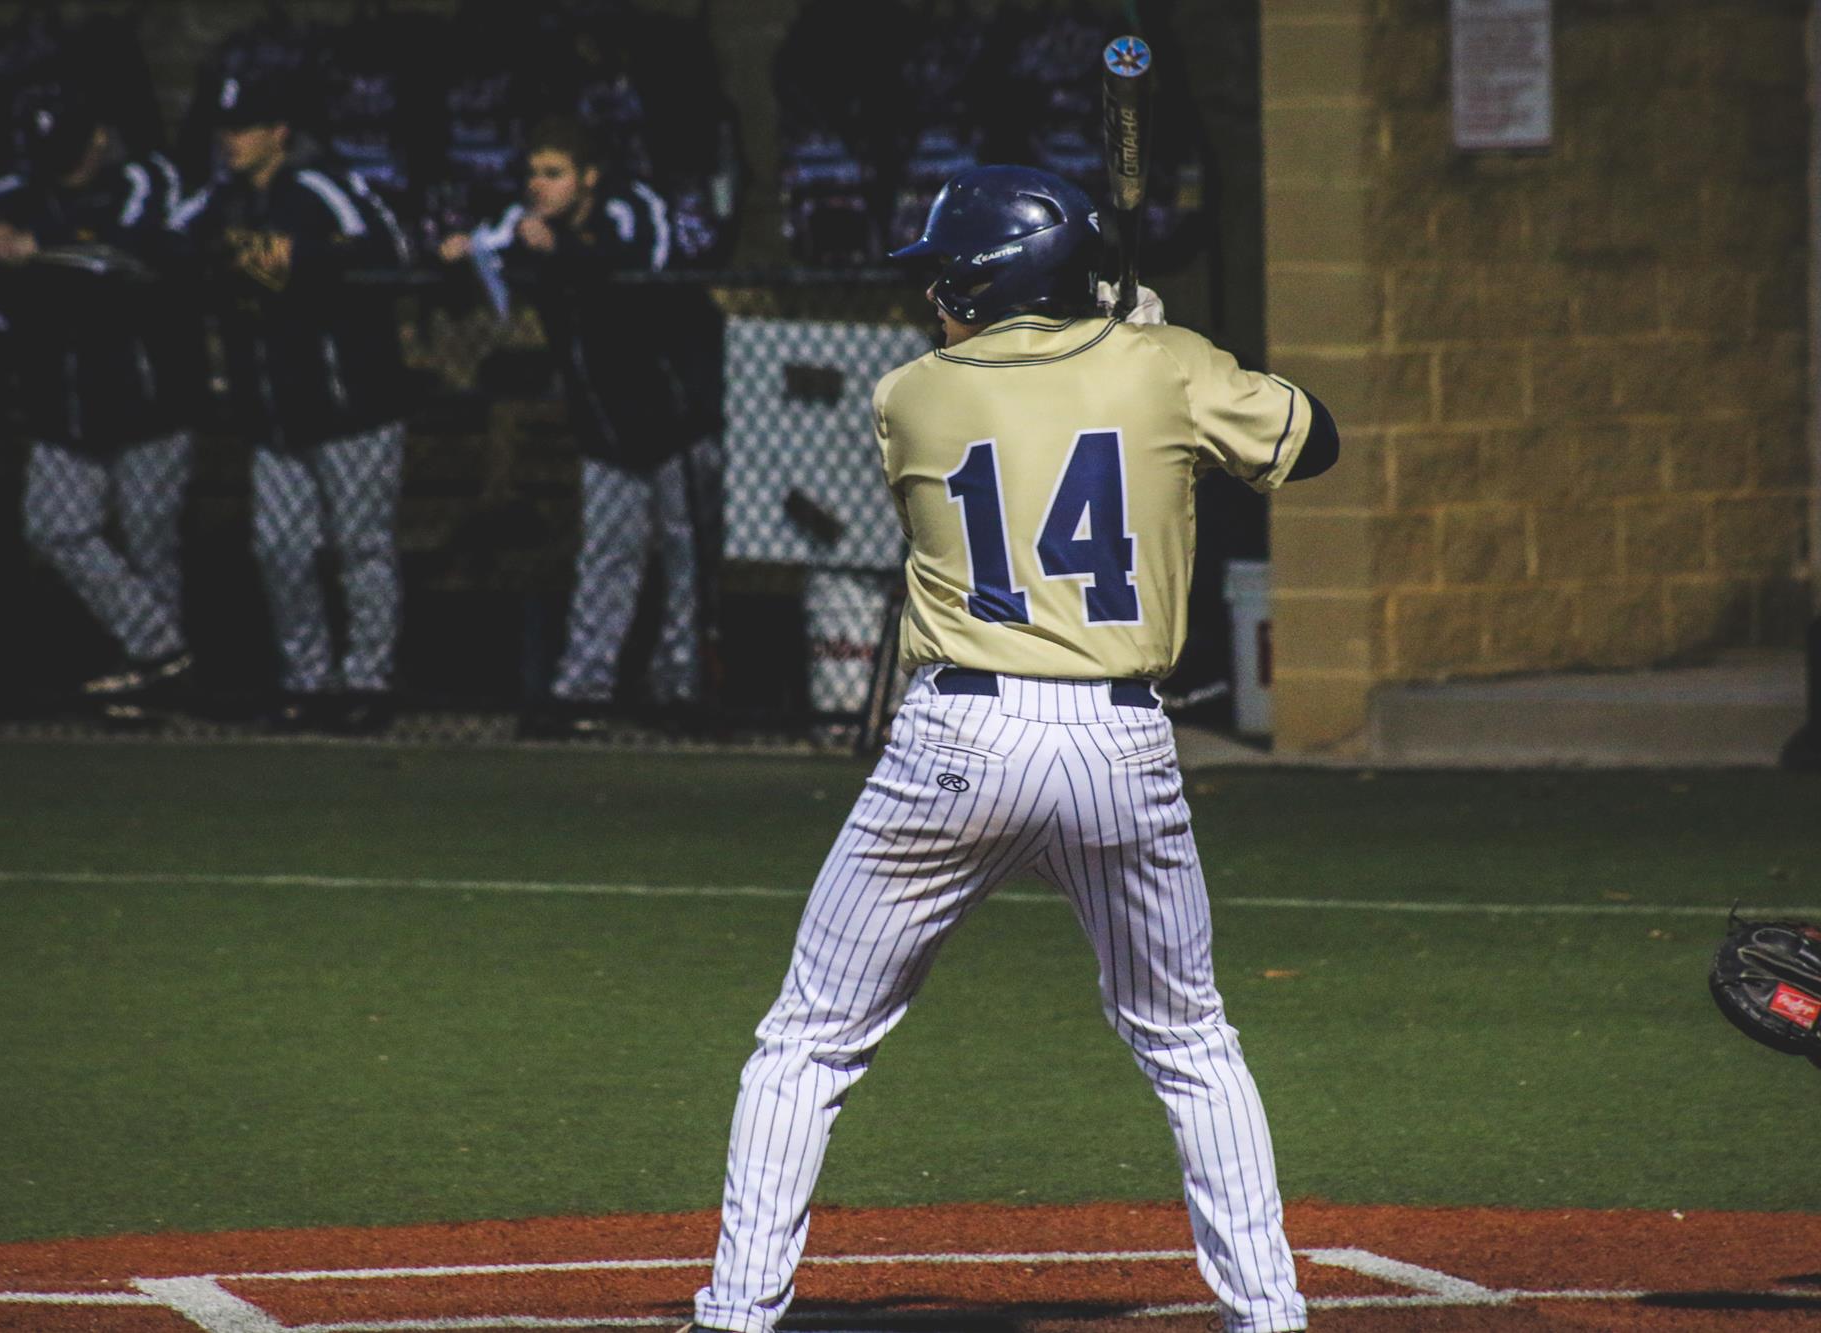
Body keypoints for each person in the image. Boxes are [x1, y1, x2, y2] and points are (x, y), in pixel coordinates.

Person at [684, 165, 1339, 1333]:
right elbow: (1311, 441)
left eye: (948, 276)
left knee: (808, 1038)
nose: (932, 296)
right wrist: (1163, 345)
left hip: (957, 742)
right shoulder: (1164, 365)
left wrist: (1122, 344)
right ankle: (1271, 1315)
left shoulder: (908, 397)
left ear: (991, 282)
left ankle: (734, 1313)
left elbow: (1030, 411)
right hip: (1120, 745)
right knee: (1188, 1038)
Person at [440, 116, 717, 734]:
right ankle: (582, 694)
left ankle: (681, 694)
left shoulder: (632, 208)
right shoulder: (529, 225)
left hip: (677, 424)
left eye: (554, 173)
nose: (539, 186)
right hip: (606, 432)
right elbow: (475, 259)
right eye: (533, 173)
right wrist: (461, 256)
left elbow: (637, 262)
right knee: (605, 561)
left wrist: (556, 251)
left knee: (686, 563)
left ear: (589, 177)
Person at [171, 68, 413, 735]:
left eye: (244, 127)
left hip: (350, 406)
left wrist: (255, 258)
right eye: (225, 128)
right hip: (273, 414)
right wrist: (258, 255)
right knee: (279, 548)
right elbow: (167, 241)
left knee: (361, 549)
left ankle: (367, 685)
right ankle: (307, 682)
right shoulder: (224, 198)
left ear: (279, 131)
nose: (231, 140)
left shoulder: (321, 187)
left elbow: (386, 249)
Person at [0, 78, 200, 716]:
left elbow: (132, 258)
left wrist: (37, 254)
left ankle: (154, 686)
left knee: (151, 545)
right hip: (59, 402)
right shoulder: (11, 193)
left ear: (100, 135)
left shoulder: (149, 181)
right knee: (54, 528)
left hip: (149, 398)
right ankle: (160, 651)